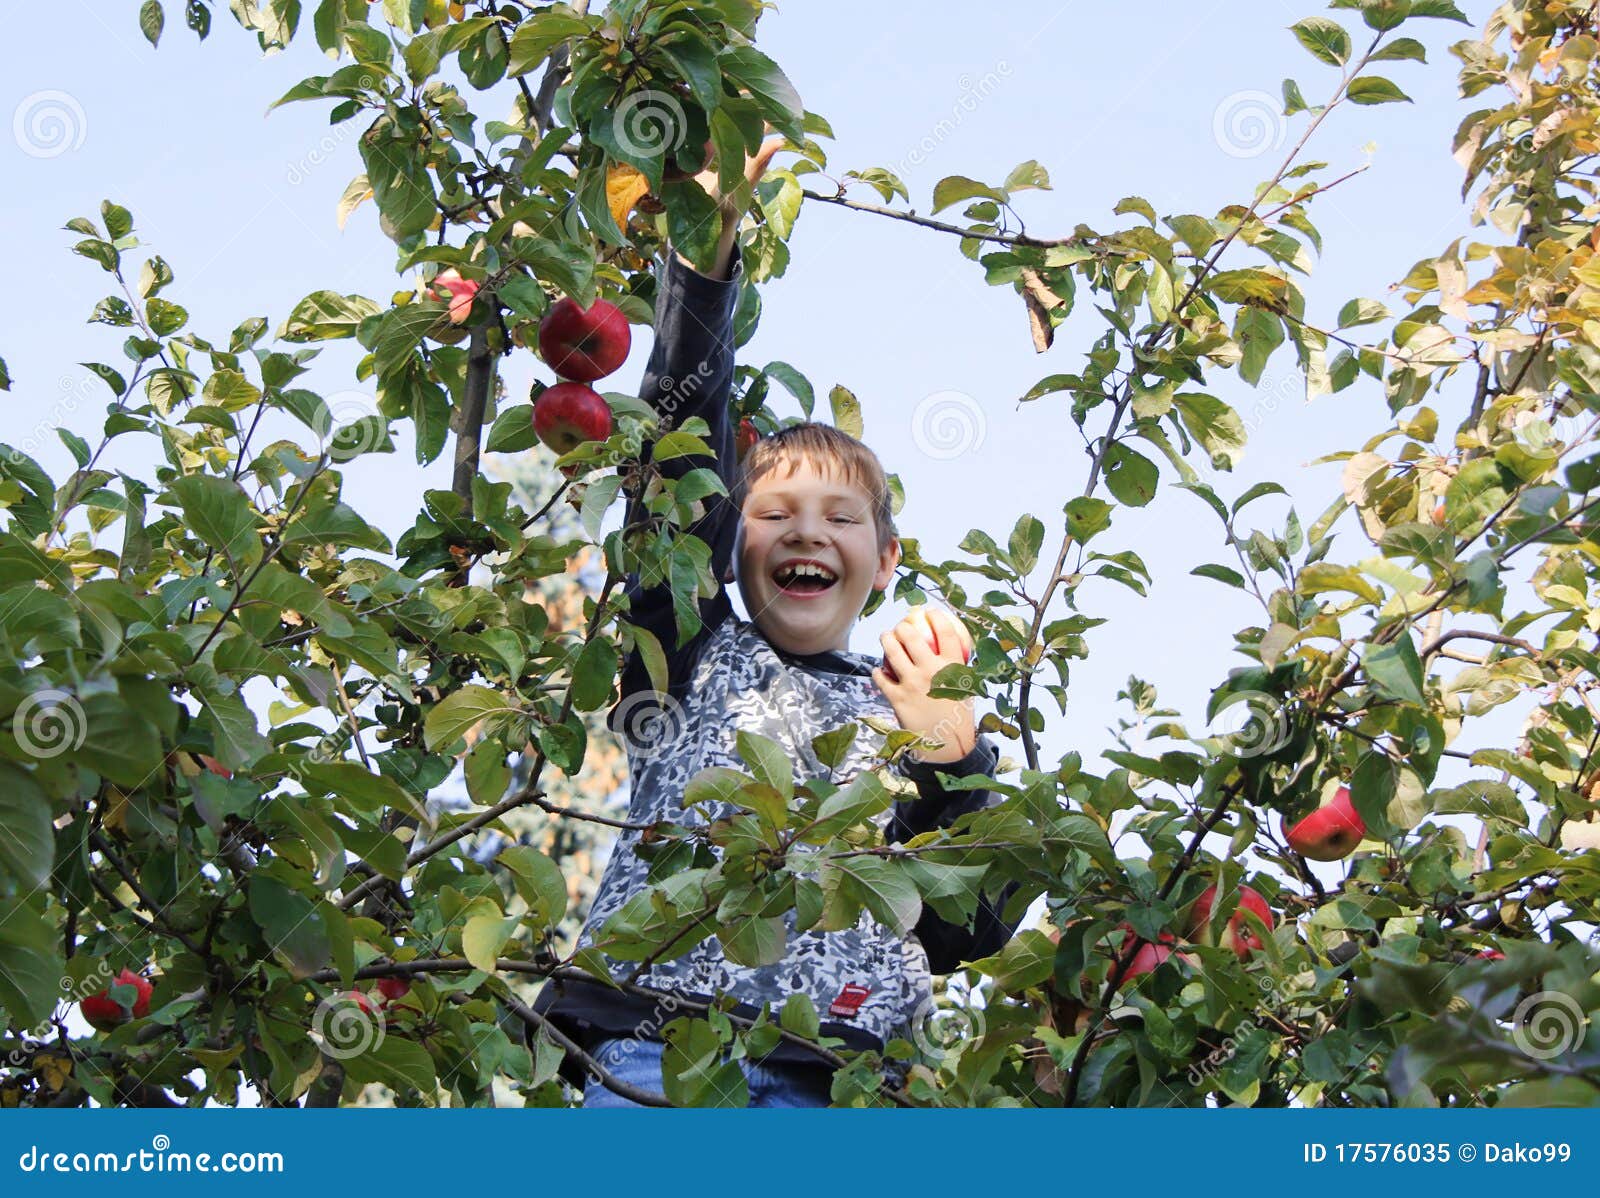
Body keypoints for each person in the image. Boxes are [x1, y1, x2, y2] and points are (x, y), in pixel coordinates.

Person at [531, 138, 1020, 1107]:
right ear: (728, 548)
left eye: (841, 518)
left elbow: (969, 926)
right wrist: (703, 270)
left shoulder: (915, 705)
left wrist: (953, 762)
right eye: (773, 513)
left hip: (838, 1081)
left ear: (883, 564)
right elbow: (679, 479)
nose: (807, 529)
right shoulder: (694, 647)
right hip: (652, 1053)